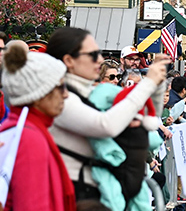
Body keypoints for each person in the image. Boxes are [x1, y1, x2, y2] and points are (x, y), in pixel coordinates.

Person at [46, 27, 169, 200]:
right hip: (76, 196)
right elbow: (105, 126)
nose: (100, 60)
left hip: (97, 194)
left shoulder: (88, 92)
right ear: (69, 60)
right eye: (92, 54)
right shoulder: (61, 97)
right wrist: (148, 83)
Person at [1, 42, 73, 211]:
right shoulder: (30, 138)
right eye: (60, 87)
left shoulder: (13, 131)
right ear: (40, 92)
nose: (65, 94)